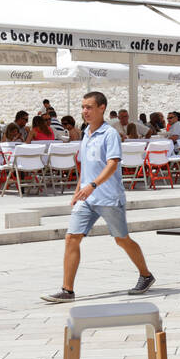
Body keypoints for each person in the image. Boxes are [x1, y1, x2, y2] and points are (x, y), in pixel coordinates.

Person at [41, 91, 155, 303]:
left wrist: (93, 185)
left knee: (122, 240)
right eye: (83, 107)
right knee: (71, 237)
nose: (85, 111)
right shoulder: (86, 134)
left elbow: (112, 163)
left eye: (89, 107)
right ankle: (67, 290)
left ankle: (146, 275)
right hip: (88, 198)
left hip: (108, 198)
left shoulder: (109, 134)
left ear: (101, 108)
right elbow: (86, 166)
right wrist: (79, 190)